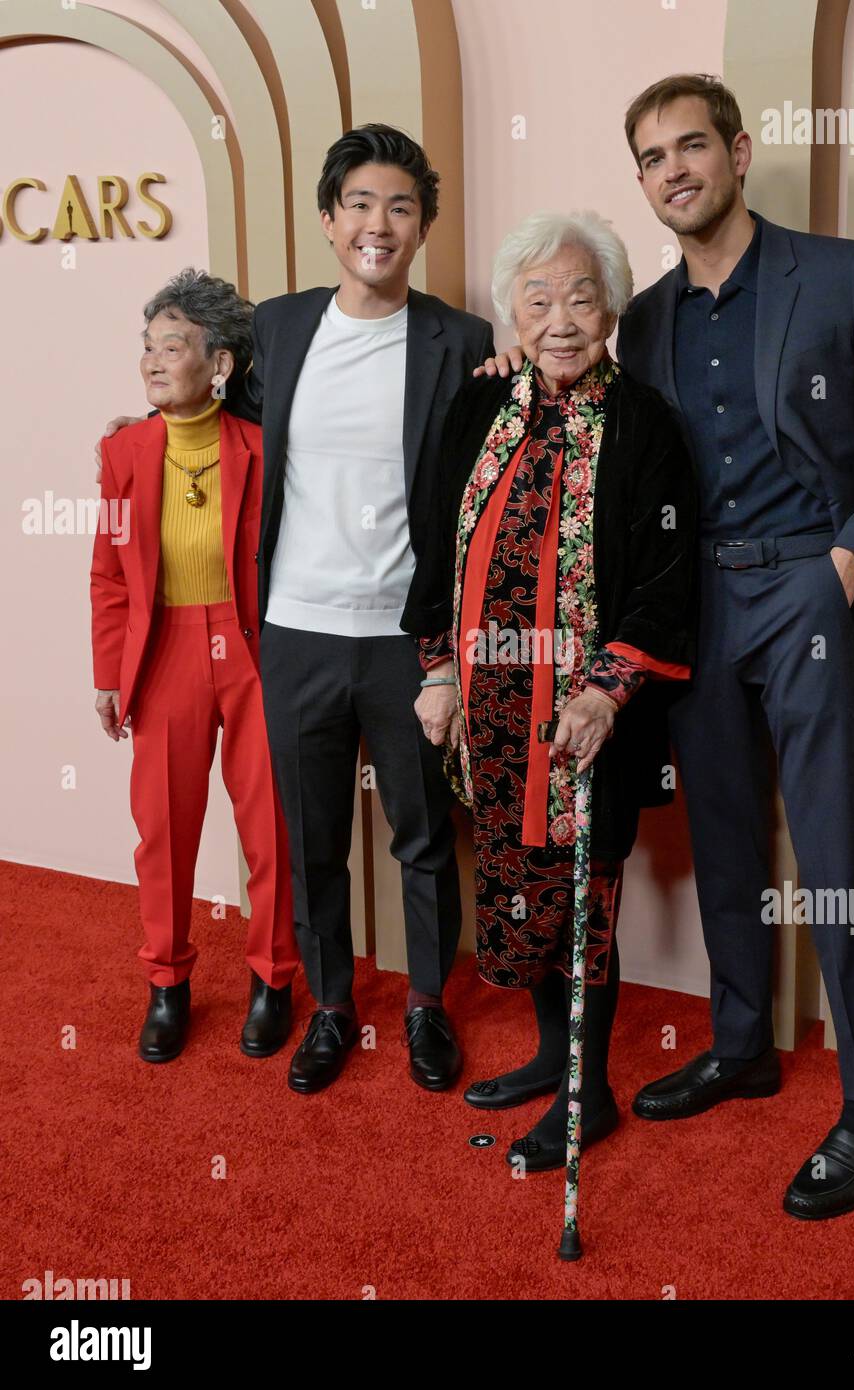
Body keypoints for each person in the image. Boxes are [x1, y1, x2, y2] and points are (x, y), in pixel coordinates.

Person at [479, 74, 854, 1217]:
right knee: (728, 838)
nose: (673, 170)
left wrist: (844, 563)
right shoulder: (637, 320)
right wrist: (511, 370)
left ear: (736, 151)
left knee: (833, 853)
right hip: (690, 604)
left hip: (806, 583)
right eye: (649, 157)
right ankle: (742, 1040)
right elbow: (585, 417)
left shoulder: (835, 275)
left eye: (690, 146)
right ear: (639, 181)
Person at [98, 125, 496, 1097]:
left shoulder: (462, 341)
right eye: (358, 203)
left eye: (400, 207)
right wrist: (138, 430)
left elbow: (479, 495)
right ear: (328, 220)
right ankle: (328, 1007)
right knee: (310, 837)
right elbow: (212, 424)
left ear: (422, 227)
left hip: (404, 637)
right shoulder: (276, 330)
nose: (378, 223)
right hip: (294, 632)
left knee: (422, 835)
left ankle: (430, 1009)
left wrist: (447, 653)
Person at [403, 210, 697, 1171]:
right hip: (488, 717)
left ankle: (591, 1091)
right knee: (518, 889)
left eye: (580, 296)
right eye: (539, 298)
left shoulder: (646, 423)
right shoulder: (477, 406)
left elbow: (666, 576)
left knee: (580, 903)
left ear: (612, 306)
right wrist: (440, 667)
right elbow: (434, 542)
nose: (561, 317)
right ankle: (551, 1058)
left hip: (581, 722)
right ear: (512, 315)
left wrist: (609, 692)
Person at [91, 268, 299, 1064]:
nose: (151, 360)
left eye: (171, 346)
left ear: (218, 365)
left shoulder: (261, 446)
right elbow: (108, 573)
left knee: (269, 828)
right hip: (167, 648)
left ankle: (273, 982)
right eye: (147, 346)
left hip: (252, 646)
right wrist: (108, 673)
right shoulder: (121, 452)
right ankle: (167, 985)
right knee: (163, 831)